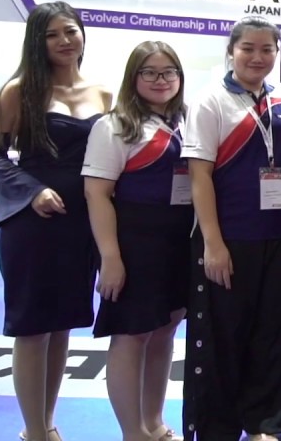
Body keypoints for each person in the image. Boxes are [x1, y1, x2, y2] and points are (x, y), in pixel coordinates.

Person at [0, 1, 111, 441]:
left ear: (82, 34)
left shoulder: (103, 93)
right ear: (37, 41)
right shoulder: (18, 91)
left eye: (70, 31)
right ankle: (34, 431)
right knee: (33, 329)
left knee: (61, 328)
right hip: (32, 226)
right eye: (52, 34)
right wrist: (32, 190)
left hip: (82, 224)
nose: (64, 41)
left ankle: (47, 425)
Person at [181, 17, 281, 441]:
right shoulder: (210, 101)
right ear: (231, 52)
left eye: (267, 49)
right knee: (225, 333)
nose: (257, 57)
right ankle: (220, 426)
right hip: (230, 237)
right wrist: (212, 244)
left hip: (278, 233)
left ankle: (265, 422)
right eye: (248, 49)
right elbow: (199, 175)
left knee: (273, 328)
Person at [82, 41, 193, 441]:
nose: (161, 80)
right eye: (149, 72)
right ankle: (133, 432)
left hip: (179, 241)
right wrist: (110, 257)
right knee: (132, 335)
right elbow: (96, 194)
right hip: (134, 243)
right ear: (133, 77)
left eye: (169, 72)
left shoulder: (187, 121)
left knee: (164, 332)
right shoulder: (114, 126)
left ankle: (154, 422)